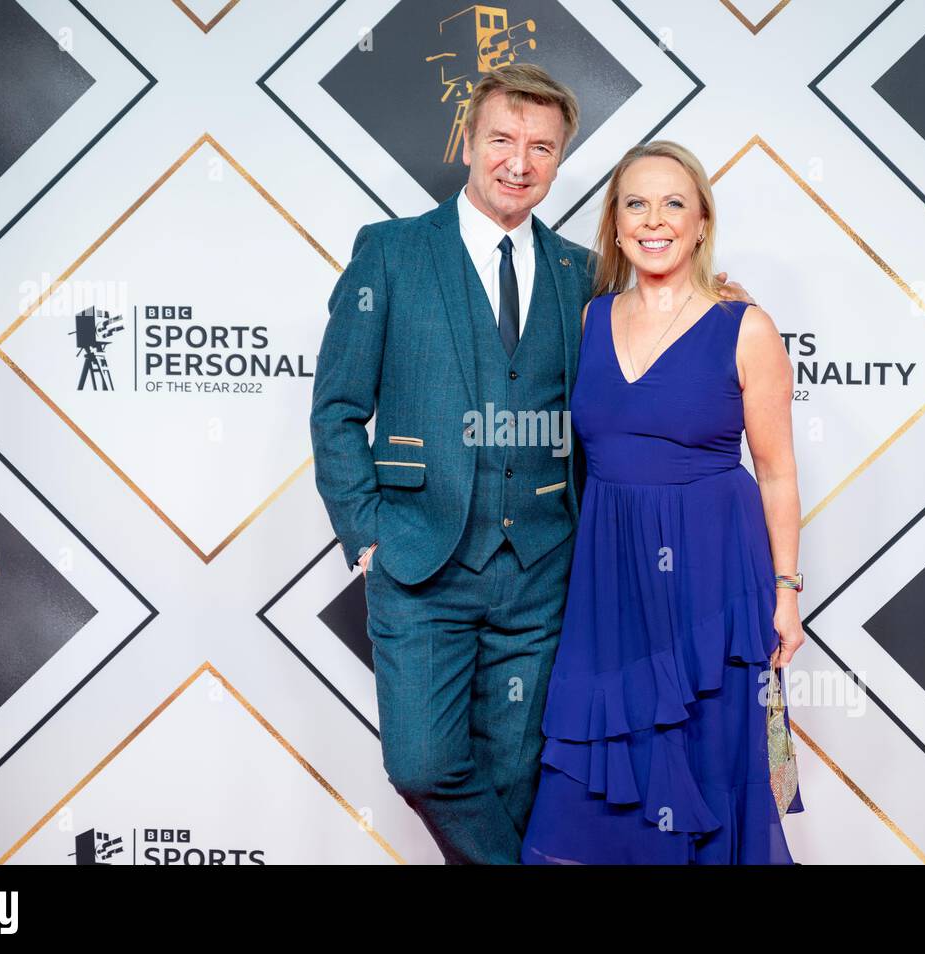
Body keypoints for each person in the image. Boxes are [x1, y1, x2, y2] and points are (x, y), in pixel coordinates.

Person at [310, 64, 751, 864]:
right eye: (504, 140)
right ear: (469, 143)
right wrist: (367, 531)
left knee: (518, 777)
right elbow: (337, 409)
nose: (520, 162)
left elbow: (641, 360)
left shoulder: (581, 277)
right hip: (419, 564)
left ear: (558, 160)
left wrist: (708, 299)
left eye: (542, 147)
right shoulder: (392, 254)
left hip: (544, 574)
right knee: (424, 764)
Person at [520, 140, 808, 865]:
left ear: (702, 222)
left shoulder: (746, 328)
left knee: (710, 773)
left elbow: (775, 473)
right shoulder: (589, 322)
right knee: (590, 793)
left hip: (714, 588)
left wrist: (786, 595)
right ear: (614, 225)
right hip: (610, 593)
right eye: (636, 203)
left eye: (675, 202)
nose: (655, 220)